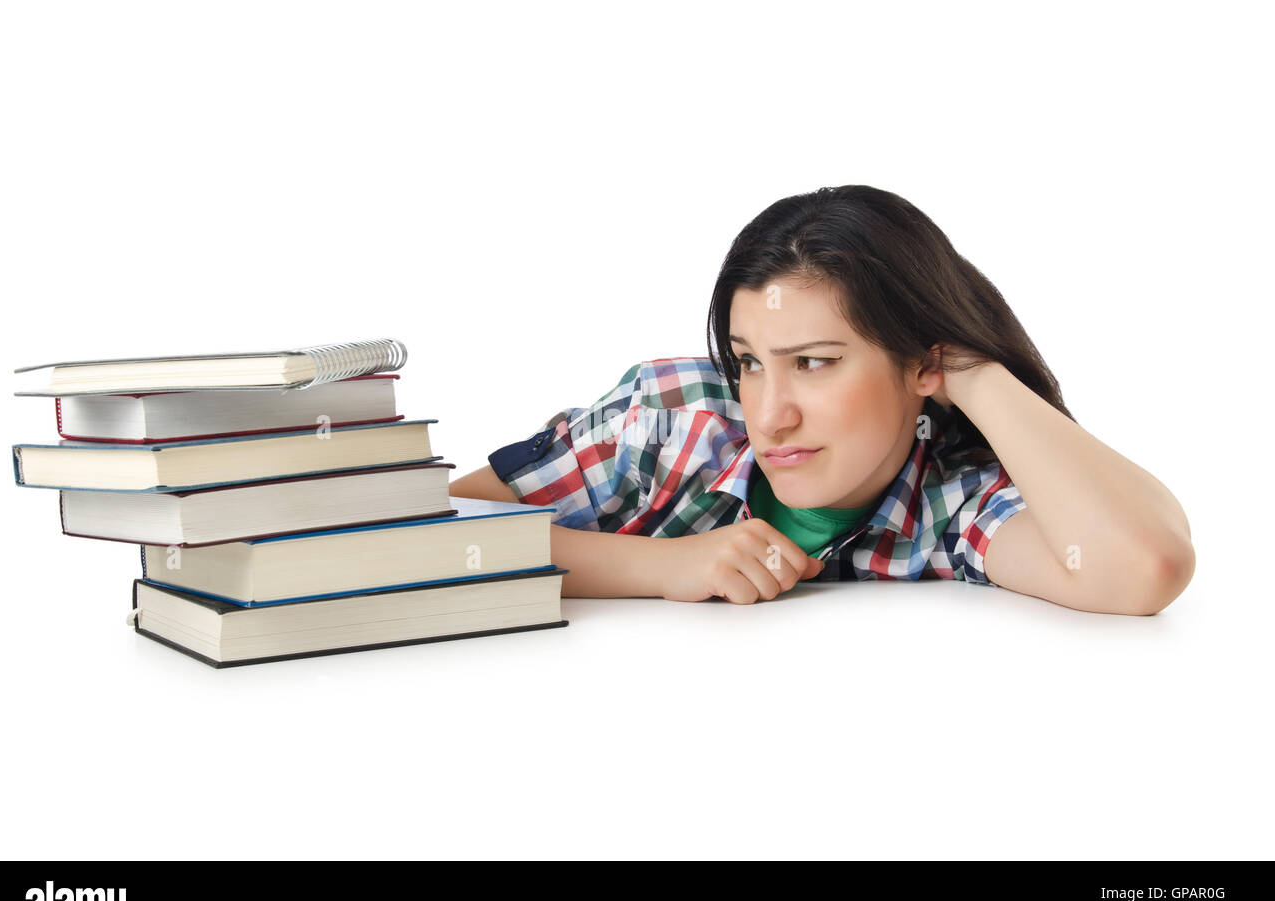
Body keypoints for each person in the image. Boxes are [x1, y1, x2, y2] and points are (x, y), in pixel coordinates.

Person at [451, 185, 1194, 615]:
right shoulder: (668, 420)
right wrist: (665, 567)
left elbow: (1143, 566)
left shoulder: (949, 501)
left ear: (920, 364)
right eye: (749, 362)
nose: (770, 415)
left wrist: (973, 367)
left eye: (813, 362)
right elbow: (428, 532)